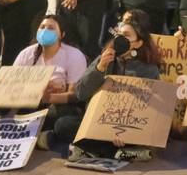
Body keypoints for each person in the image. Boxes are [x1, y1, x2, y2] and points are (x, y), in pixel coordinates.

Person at [48, 20, 162, 157]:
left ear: (138, 43)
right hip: (99, 123)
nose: (120, 38)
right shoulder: (104, 59)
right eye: (118, 34)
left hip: (129, 127)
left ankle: (100, 150)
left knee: (142, 136)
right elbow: (80, 93)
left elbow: (148, 110)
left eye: (126, 35)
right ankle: (117, 153)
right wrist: (99, 68)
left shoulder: (149, 70)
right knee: (62, 125)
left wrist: (124, 131)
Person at [0, 15, 88, 119]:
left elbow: (75, 95)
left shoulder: (74, 55)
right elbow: (10, 83)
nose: (45, 31)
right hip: (26, 101)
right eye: (42, 27)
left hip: (54, 104)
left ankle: (24, 119)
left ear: (62, 34)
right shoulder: (27, 53)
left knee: (59, 115)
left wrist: (48, 97)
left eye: (51, 28)